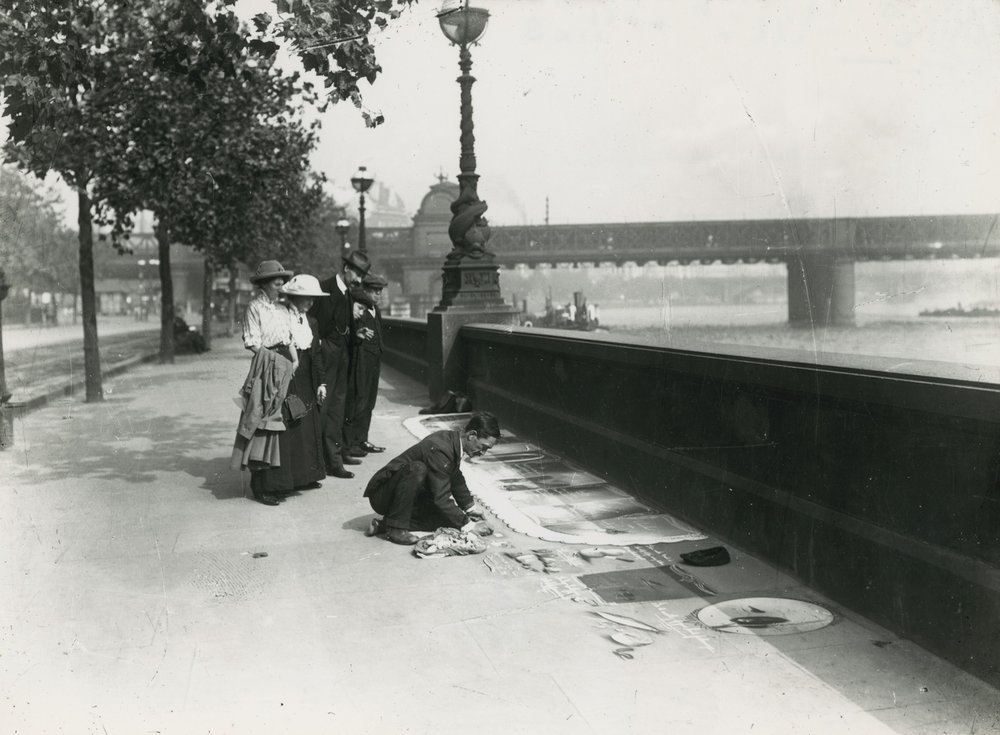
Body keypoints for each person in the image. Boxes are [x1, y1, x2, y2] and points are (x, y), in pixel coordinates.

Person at [363, 411, 499, 545]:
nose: (483, 453)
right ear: (471, 435)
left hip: (402, 494)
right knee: (417, 469)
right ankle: (395, 529)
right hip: (382, 495)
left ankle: (385, 525)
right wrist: (469, 525)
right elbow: (441, 497)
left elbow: (455, 477)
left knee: (448, 520)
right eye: (483, 447)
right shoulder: (441, 448)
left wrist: (470, 509)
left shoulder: (452, 442)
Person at [230, 260, 296, 506]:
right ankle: (261, 486)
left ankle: (279, 483)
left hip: (284, 364)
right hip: (266, 363)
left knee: (282, 423)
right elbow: (252, 341)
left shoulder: (282, 309)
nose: (280, 288)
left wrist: (293, 361)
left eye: (282, 284)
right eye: (276, 284)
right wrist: (274, 362)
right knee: (262, 422)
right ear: (265, 284)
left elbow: (288, 338)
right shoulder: (254, 308)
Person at [309, 250, 371, 479]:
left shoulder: (349, 293)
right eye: (356, 274)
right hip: (324, 360)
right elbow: (310, 321)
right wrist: (320, 346)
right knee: (322, 411)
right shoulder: (323, 288)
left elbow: (345, 326)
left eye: (362, 276)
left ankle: (334, 461)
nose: (359, 280)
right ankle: (317, 463)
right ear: (346, 269)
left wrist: (355, 335)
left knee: (337, 412)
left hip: (343, 359)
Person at [344, 273, 388, 457]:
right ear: (366, 291)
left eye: (380, 291)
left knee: (369, 401)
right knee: (358, 400)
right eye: (375, 291)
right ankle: (351, 443)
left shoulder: (375, 309)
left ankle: (362, 439)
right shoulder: (358, 308)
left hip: (374, 361)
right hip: (361, 360)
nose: (378, 295)